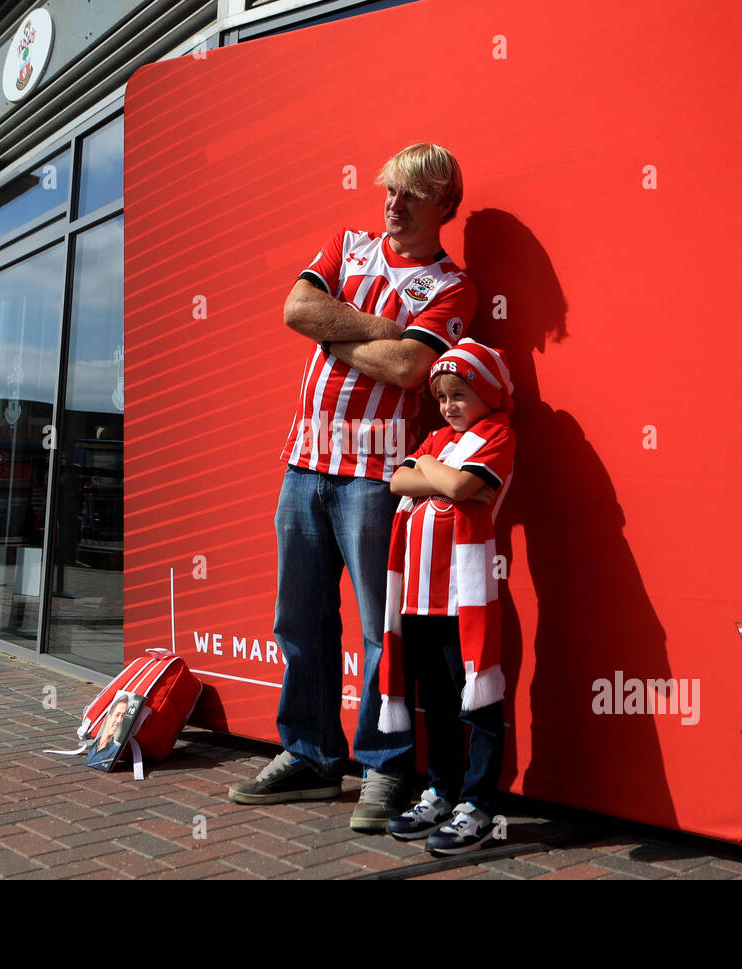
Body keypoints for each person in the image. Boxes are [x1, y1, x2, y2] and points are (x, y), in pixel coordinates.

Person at [227, 143, 479, 833]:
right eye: (388, 191)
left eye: (410, 195)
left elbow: (406, 369)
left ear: (442, 205)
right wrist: (372, 326)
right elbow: (295, 308)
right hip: (303, 463)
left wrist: (331, 329)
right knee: (298, 621)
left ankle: (385, 766)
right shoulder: (348, 244)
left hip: (377, 475)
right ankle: (310, 755)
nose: (392, 204)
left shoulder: (453, 285)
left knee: (380, 632)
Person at [377, 339, 516, 854]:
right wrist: (441, 476)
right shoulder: (437, 437)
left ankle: (477, 805)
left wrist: (430, 476)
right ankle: (439, 789)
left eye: (460, 394)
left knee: (477, 698)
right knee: (435, 701)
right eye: (442, 397)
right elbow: (397, 481)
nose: (449, 406)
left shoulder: (498, 434)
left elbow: (460, 489)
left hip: (466, 597)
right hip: (419, 597)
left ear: (487, 393)